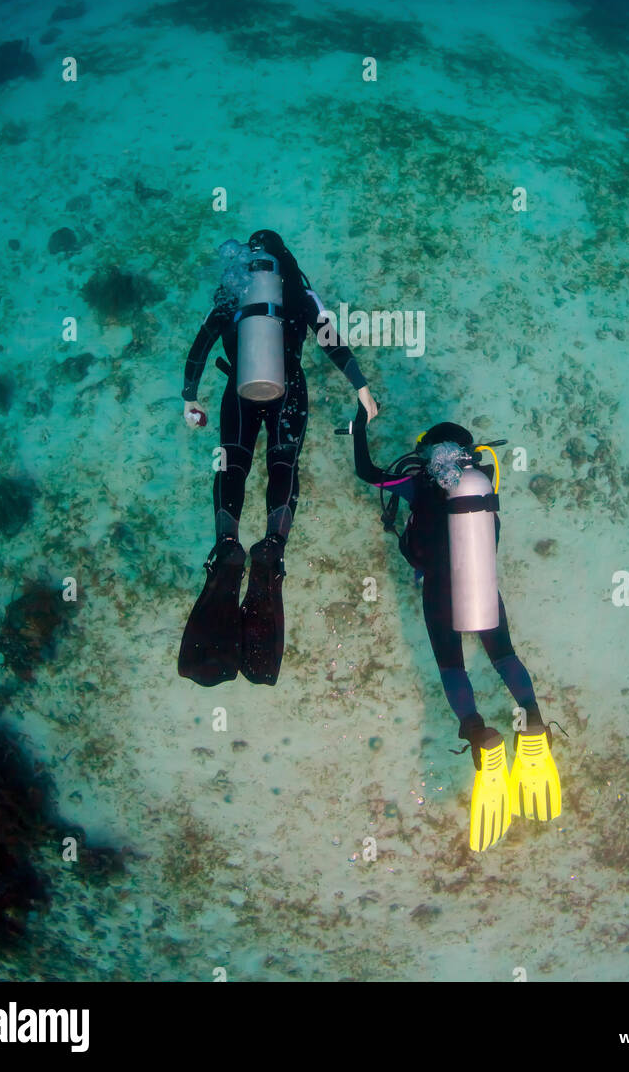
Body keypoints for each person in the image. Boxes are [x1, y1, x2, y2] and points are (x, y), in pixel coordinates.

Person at [346, 402, 561, 852]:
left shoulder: (416, 479)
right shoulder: (482, 482)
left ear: (427, 453)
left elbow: (367, 472)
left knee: (452, 668)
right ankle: (534, 721)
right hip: (482, 582)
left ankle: (482, 736)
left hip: (439, 587)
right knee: (504, 655)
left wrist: (358, 426)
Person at [178, 230, 378, 688]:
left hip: (238, 394)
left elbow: (200, 346)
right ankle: (272, 548)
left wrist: (189, 399)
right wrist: (361, 388)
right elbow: (330, 339)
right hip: (289, 392)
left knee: (233, 462)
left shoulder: (235, 291)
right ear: (283, 256)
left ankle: (227, 546)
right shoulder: (295, 289)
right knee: (282, 465)